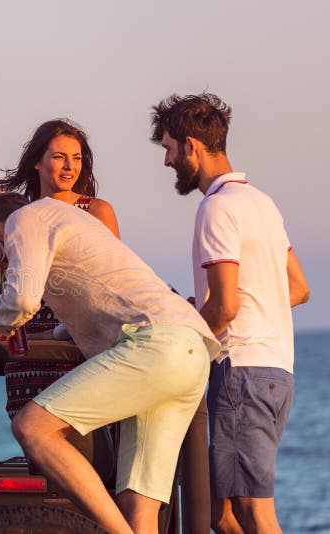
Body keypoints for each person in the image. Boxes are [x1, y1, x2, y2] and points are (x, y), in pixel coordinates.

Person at [0, 192, 220, 533]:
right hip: (188, 352)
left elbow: (21, 299)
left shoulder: (24, 219)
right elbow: (97, 304)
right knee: (139, 510)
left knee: (31, 428)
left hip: (153, 347)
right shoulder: (65, 220)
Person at [151, 93, 310, 534]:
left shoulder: (216, 208)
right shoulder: (263, 204)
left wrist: (187, 337)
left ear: (191, 146)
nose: (167, 162)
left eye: (167, 149)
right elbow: (296, 289)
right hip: (277, 372)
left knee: (254, 512)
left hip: (241, 370)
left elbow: (225, 307)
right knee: (221, 515)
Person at [0, 118, 119, 418]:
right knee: (35, 447)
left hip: (79, 346)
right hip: (28, 350)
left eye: (76, 158)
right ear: (37, 163)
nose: (70, 166)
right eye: (59, 157)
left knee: (90, 449)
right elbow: (11, 289)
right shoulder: (20, 215)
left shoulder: (96, 211)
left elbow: (110, 285)